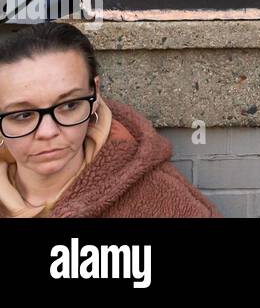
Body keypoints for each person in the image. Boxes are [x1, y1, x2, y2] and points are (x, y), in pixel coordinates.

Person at [0, 23, 218, 217]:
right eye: (23, 115)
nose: (48, 132)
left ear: (95, 94)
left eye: (69, 106)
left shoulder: (162, 202)